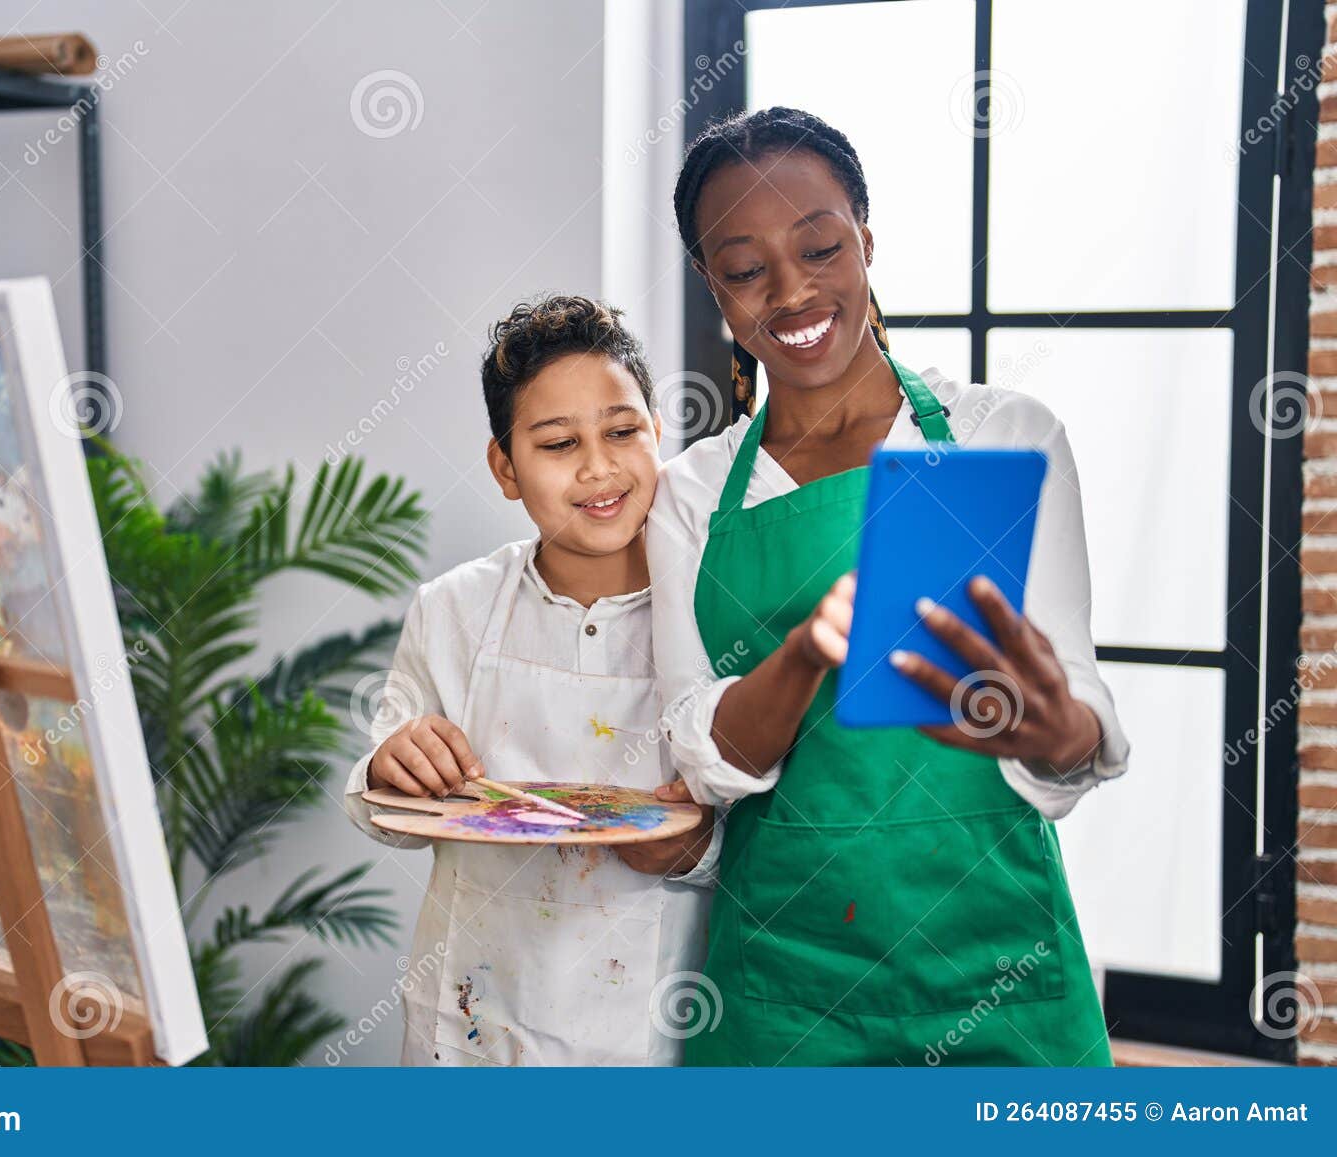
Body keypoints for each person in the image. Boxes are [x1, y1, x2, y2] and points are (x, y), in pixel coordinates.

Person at [646, 107, 1131, 1066]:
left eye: (821, 246)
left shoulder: (1003, 436)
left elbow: (1075, 712)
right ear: (713, 286)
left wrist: (1056, 730)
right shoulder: (692, 495)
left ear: (865, 240)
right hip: (784, 984)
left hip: (996, 967)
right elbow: (701, 755)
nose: (791, 291)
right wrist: (807, 650)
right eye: (745, 269)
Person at [343, 294, 719, 1065]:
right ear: (505, 467)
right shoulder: (453, 609)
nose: (599, 467)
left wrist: (694, 848)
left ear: (658, 433)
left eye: (623, 431)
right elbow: (382, 806)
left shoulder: (714, 609)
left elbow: (764, 825)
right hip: (474, 1022)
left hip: (644, 1028)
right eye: (557, 444)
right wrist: (393, 761)